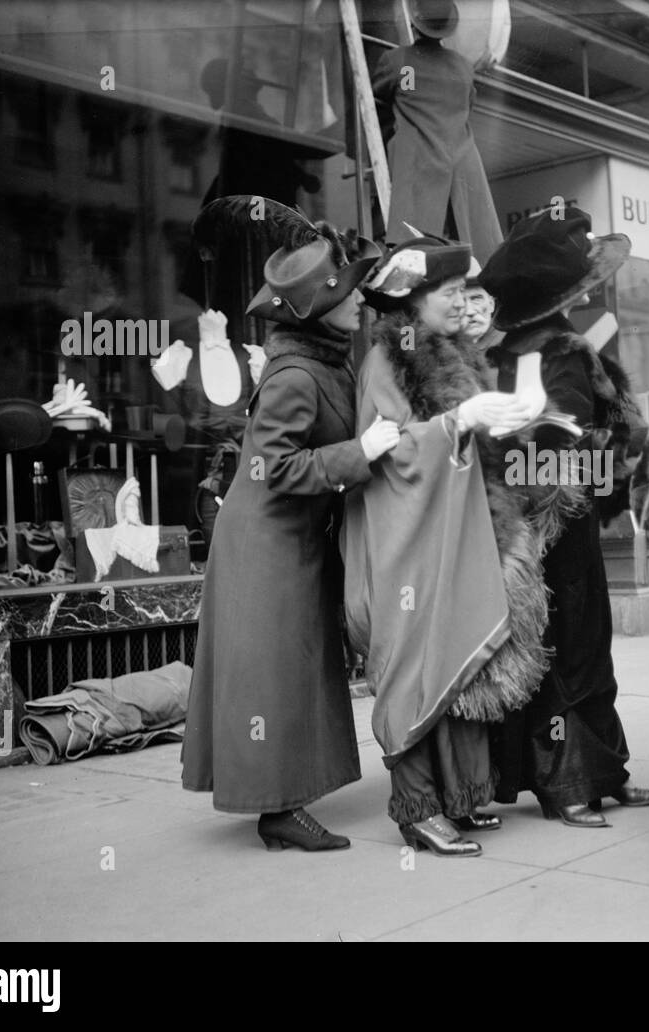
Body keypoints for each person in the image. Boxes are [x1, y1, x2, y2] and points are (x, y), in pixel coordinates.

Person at [181, 198, 395, 849]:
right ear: (315, 310)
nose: (360, 302)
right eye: (350, 294)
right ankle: (276, 811)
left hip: (290, 536)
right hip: (266, 543)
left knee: (293, 667)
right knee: (275, 670)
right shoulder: (294, 377)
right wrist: (362, 453)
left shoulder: (322, 361)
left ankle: (283, 797)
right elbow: (273, 470)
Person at [344, 235, 550, 857]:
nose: (465, 301)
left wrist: (496, 422)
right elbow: (393, 451)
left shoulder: (453, 352)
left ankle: (458, 798)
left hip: (455, 530)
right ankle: (416, 808)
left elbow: (464, 441)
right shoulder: (386, 361)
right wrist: (458, 423)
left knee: (460, 659)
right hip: (409, 540)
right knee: (414, 663)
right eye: (453, 291)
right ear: (416, 300)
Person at [479, 206, 649, 828]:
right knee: (568, 648)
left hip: (531, 523)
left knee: (576, 645)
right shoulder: (560, 351)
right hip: (550, 526)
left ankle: (602, 773)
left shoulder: (511, 352)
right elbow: (570, 440)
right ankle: (569, 783)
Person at [371, 0, 503, 257]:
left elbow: (373, 95)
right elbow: (468, 105)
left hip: (421, 161)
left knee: (414, 251)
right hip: (463, 162)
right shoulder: (464, 67)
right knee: (473, 248)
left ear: (413, 22)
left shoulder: (397, 60)